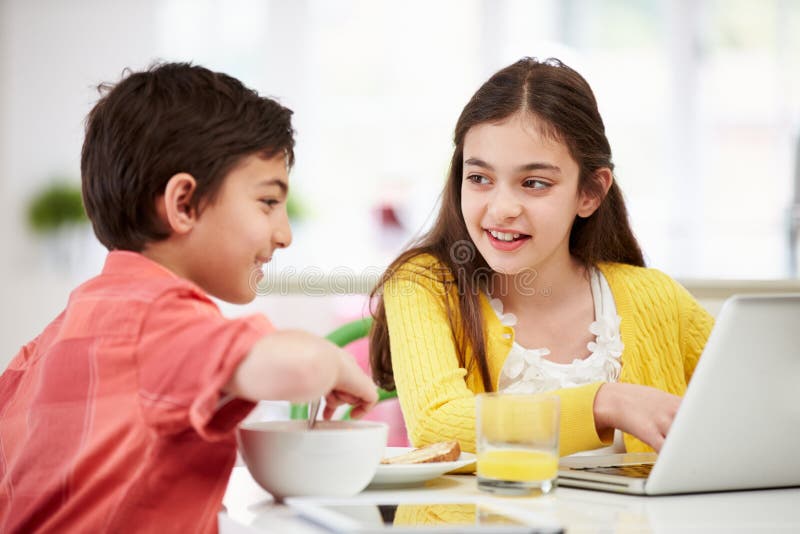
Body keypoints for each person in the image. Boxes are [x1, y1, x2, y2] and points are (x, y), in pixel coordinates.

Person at [0, 63, 377, 533]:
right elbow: (300, 366)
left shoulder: (47, 347)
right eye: (267, 202)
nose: (284, 235)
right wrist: (334, 363)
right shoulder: (158, 320)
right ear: (183, 204)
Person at [369, 57, 713, 458]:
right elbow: (438, 425)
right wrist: (605, 403)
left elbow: (752, 402)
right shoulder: (423, 283)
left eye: (534, 183)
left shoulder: (656, 297)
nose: (501, 209)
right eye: (479, 178)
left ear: (590, 193)